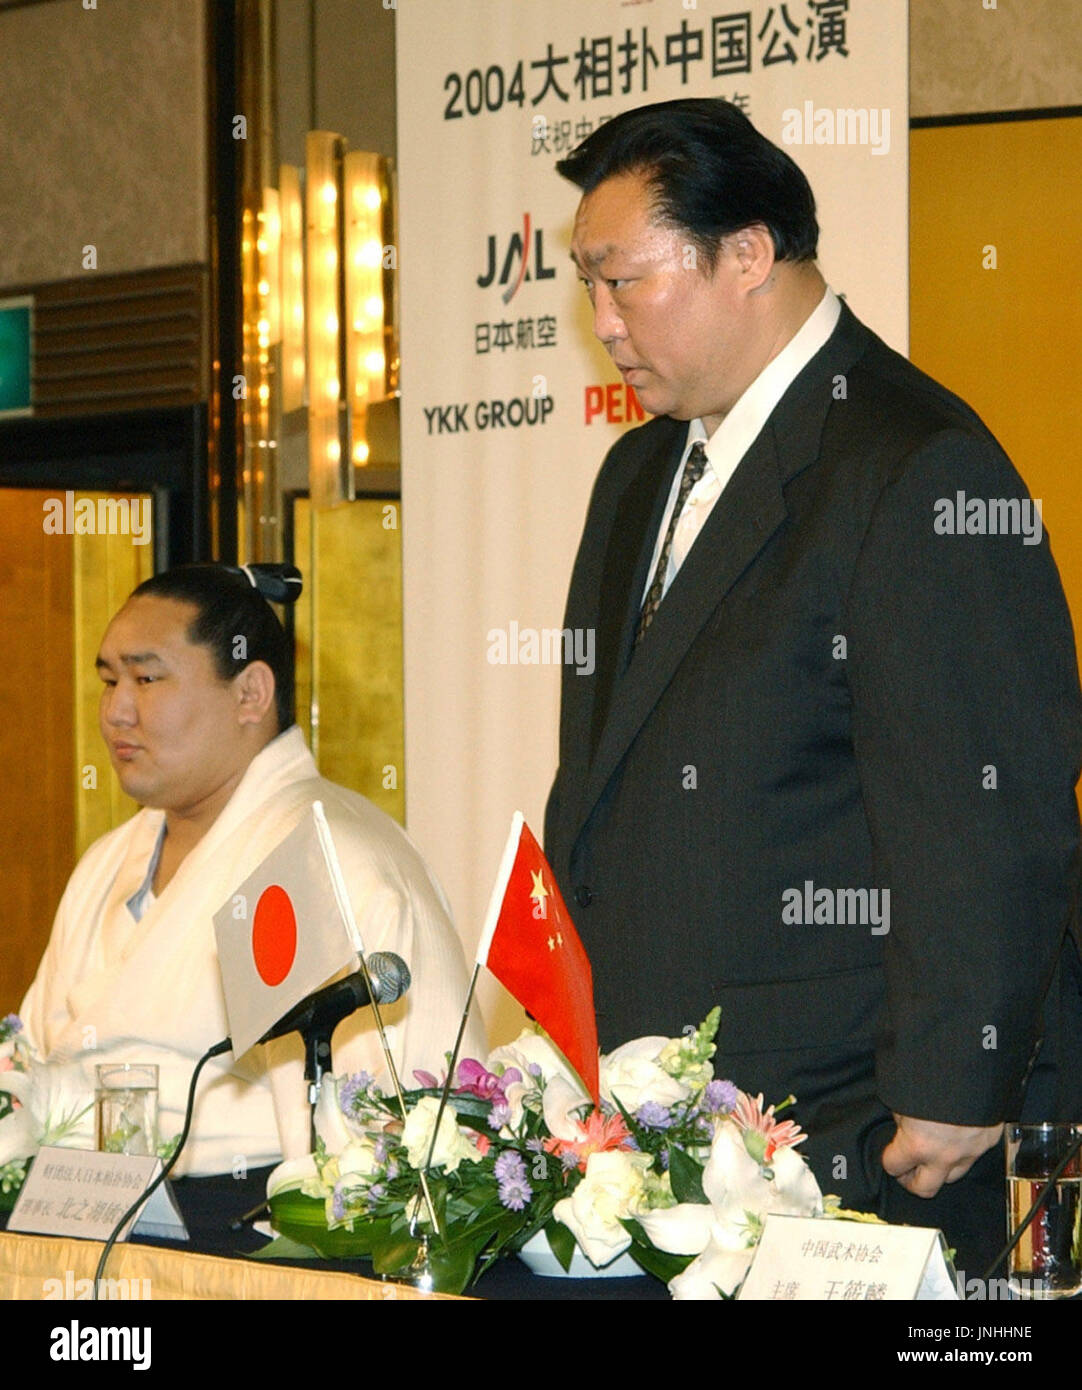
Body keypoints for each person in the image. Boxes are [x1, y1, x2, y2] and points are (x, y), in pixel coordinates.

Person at [543, 98, 1082, 1276]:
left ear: (746, 253)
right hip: (654, 1129)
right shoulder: (636, 474)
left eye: (621, 282)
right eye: (586, 288)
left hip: (851, 1131)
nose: (601, 323)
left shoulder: (908, 460)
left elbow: (991, 799)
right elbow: (598, 774)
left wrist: (957, 1077)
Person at [21, 564, 481, 1175]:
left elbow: (416, 1135)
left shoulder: (335, 857)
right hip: (76, 1216)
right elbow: (27, 1062)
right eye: (109, 682)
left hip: (246, 1224)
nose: (116, 712)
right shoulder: (106, 862)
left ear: (250, 694)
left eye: (147, 677)